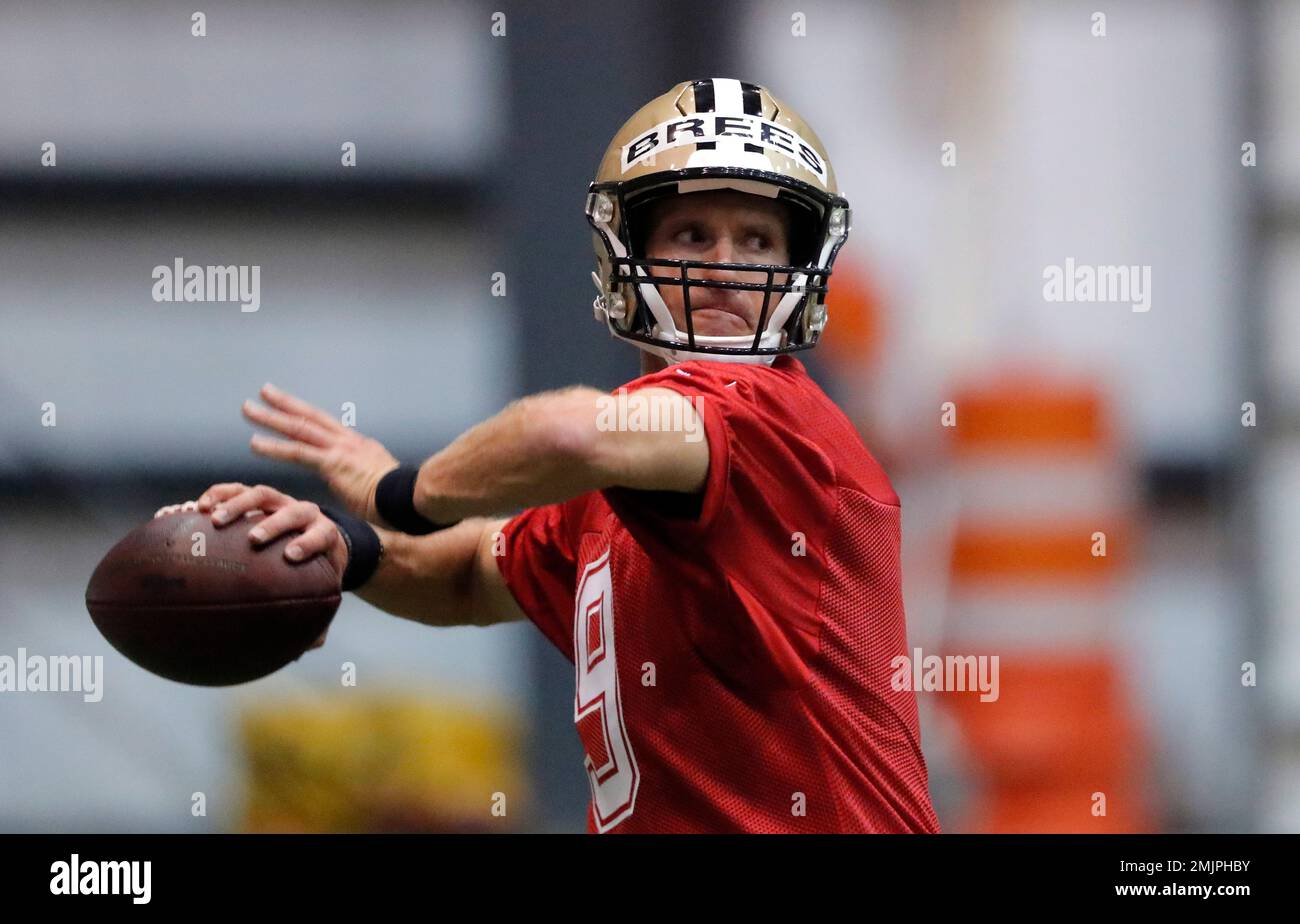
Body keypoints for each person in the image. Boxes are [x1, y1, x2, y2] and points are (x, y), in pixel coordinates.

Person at [157, 78, 941, 833]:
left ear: (799, 270)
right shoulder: (619, 488)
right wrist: (341, 549)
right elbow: (468, 578)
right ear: (623, 252)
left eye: (759, 240)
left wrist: (395, 490)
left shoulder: (774, 420)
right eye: (694, 233)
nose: (725, 264)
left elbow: (569, 432)